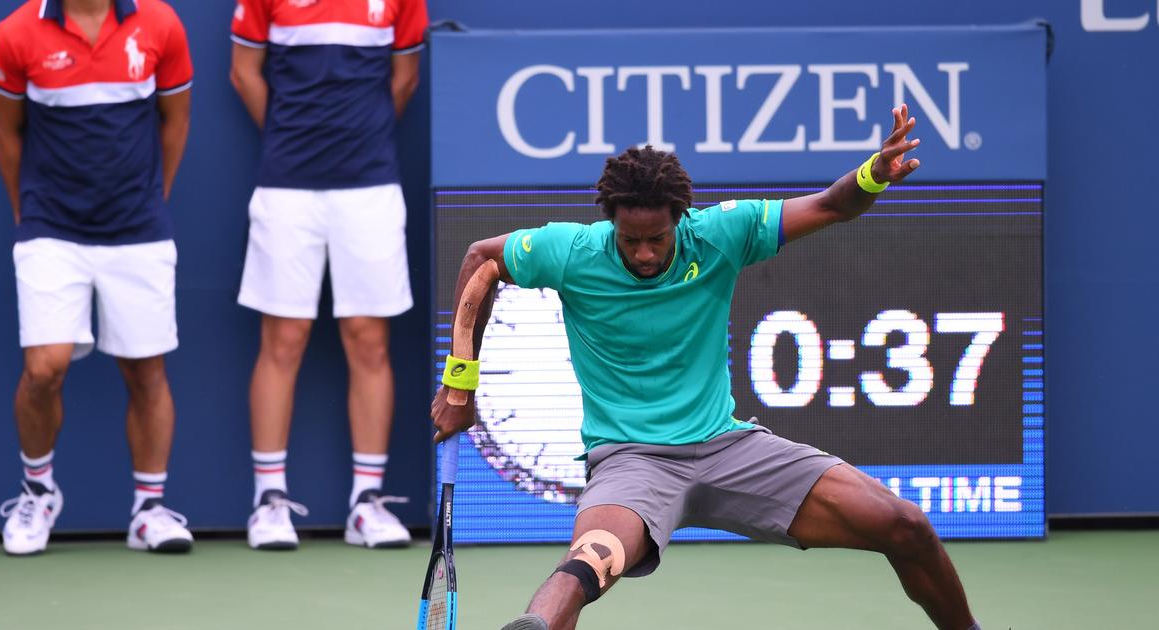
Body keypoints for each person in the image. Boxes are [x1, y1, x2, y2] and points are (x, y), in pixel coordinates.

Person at [433, 105, 983, 630]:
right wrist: (460, 384)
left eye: (657, 239)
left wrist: (873, 173)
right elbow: (483, 261)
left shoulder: (719, 233)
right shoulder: (573, 250)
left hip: (730, 449)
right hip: (631, 462)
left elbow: (832, 204)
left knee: (904, 524)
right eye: (631, 241)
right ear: (610, 224)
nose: (645, 254)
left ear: (681, 219)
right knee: (586, 566)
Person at [0, 0, 194, 555]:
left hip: (139, 229)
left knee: (146, 370)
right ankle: (38, 491)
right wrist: (25, 213)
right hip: (51, 229)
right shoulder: (15, 33)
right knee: (43, 370)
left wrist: (153, 200)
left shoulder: (161, 24)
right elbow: (6, 134)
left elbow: (176, 119)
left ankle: (148, 509)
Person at [229, 0, 427, 550]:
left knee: (369, 339)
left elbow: (403, 78)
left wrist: (353, 140)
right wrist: (296, 138)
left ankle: (366, 502)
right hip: (286, 186)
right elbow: (243, 70)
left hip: (369, 188)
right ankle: (268, 500)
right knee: (283, 338)